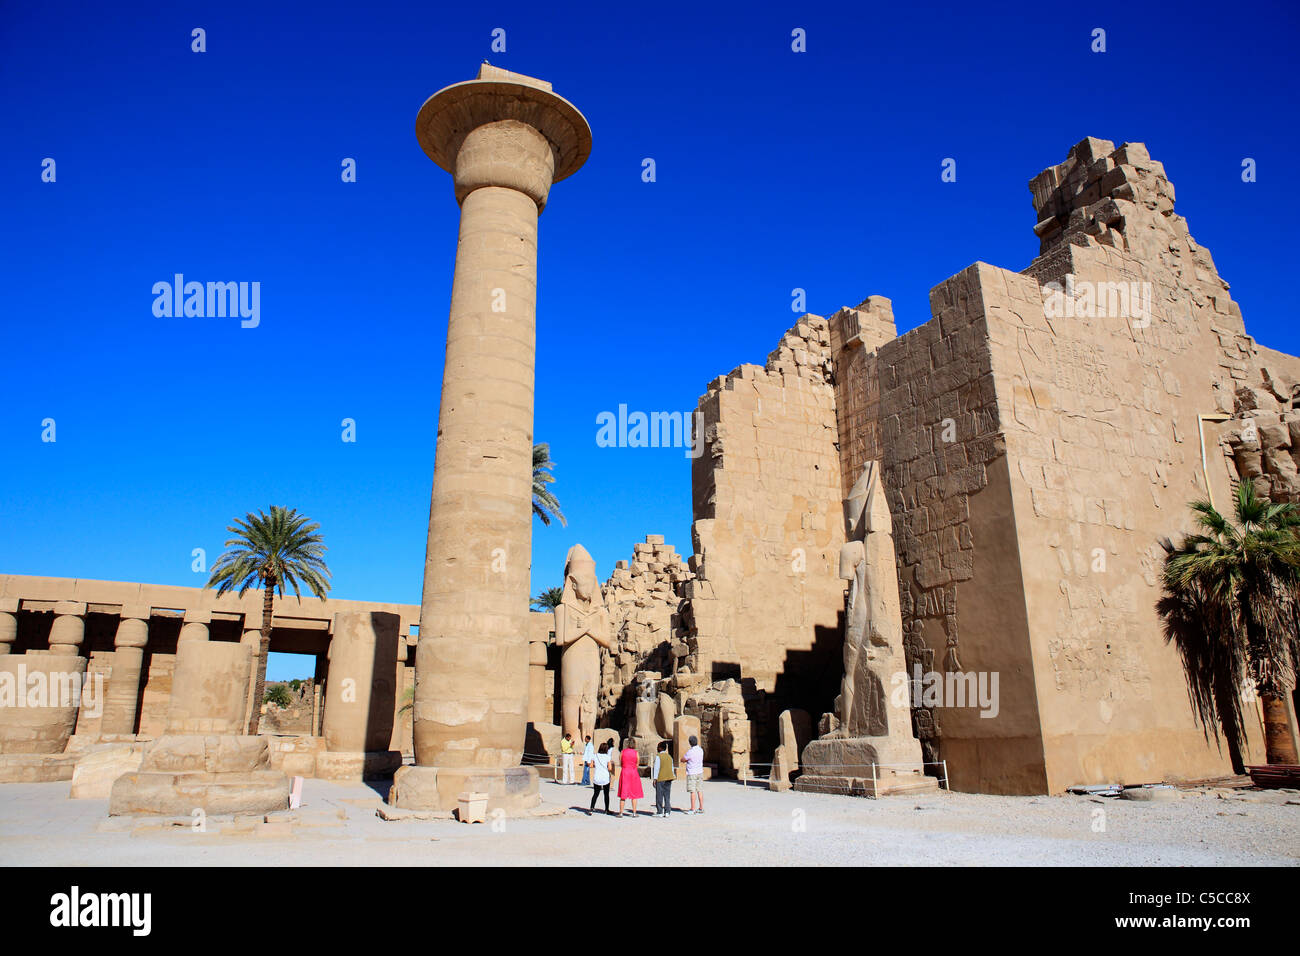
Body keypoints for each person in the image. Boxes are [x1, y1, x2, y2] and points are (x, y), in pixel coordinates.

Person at [617, 741, 643, 817]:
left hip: (625, 772)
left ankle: (621, 812)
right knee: (634, 794)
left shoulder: (622, 752)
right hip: (633, 772)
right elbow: (637, 764)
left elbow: (621, 762)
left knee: (623, 793)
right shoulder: (636, 753)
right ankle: (634, 812)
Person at [589, 742, 613, 815]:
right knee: (606, 794)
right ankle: (606, 809)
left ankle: (591, 808)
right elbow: (610, 768)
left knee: (595, 794)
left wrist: (596, 765)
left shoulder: (595, 755)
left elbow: (591, 765)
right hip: (605, 777)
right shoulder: (607, 757)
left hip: (597, 776)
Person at [652, 739, 674, 818]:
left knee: (659, 795)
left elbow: (656, 768)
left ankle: (660, 811)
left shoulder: (659, 756)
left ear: (661, 748)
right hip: (669, 777)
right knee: (667, 795)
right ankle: (667, 811)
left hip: (661, 778)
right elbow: (671, 767)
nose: (657, 748)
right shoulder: (669, 757)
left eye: (658, 747)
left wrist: (655, 778)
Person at [683, 734, 704, 814]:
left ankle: (692, 808)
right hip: (699, 771)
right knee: (699, 790)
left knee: (692, 791)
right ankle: (701, 807)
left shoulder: (690, 752)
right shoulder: (700, 750)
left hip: (692, 772)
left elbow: (683, 759)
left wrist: (683, 760)